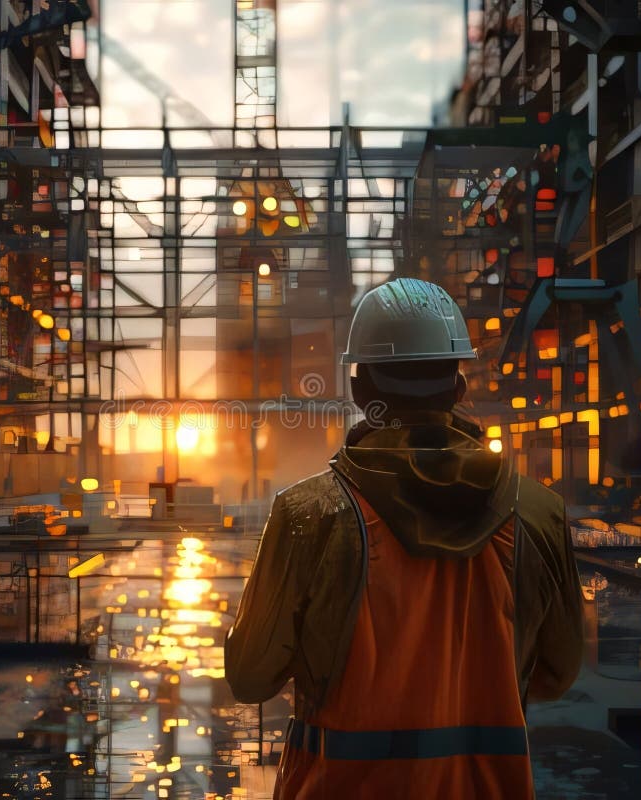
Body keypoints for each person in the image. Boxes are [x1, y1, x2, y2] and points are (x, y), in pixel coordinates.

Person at [224, 277, 584, 799]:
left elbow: (251, 678)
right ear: (458, 389)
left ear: (360, 392)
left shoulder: (309, 514)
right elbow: (557, 673)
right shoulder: (538, 512)